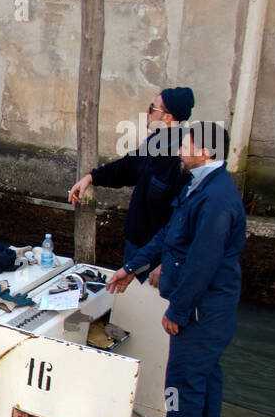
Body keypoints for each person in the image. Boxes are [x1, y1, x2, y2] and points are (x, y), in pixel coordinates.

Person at [105, 122, 243, 417]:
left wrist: (179, 310)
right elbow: (170, 234)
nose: (181, 147)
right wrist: (131, 268)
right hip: (211, 306)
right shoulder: (203, 188)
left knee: (182, 381)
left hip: (203, 308)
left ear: (207, 152)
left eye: (188, 142)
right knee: (206, 374)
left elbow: (203, 262)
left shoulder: (215, 200)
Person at [68, 86, 195, 284]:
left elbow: (183, 221)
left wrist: (168, 262)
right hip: (136, 245)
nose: (147, 112)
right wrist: (91, 177)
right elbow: (127, 167)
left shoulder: (182, 162)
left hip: (158, 255)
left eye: (153, 108)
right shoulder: (155, 142)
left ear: (168, 118)